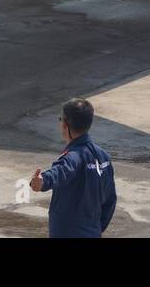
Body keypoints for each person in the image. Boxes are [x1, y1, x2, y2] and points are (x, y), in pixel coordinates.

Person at [30, 97, 117, 238]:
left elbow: (60, 171)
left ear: (65, 124)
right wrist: (95, 229)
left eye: (61, 119)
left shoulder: (73, 157)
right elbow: (110, 200)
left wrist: (43, 181)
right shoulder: (103, 157)